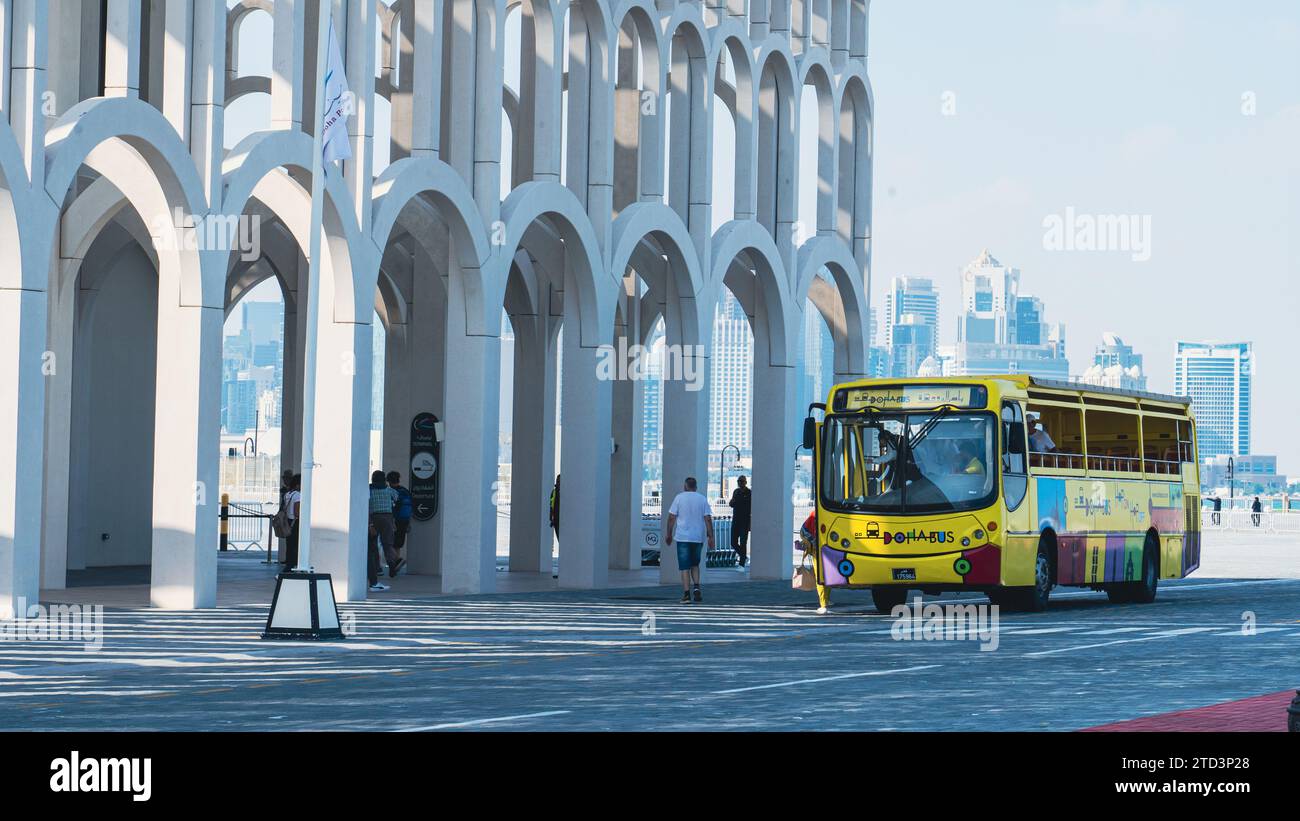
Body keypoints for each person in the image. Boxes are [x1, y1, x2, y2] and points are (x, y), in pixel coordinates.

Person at [666, 477, 713, 603]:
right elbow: (708, 519)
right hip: (698, 537)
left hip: (682, 537)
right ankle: (696, 588)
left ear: (685, 486)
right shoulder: (702, 499)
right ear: (696, 487)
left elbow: (671, 517)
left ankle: (686, 594)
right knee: (695, 564)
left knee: (684, 567)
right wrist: (711, 537)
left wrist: (668, 534)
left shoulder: (679, 498)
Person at [367, 470, 400, 591]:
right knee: (388, 543)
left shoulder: (370, 490)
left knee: (373, 544)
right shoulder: (389, 490)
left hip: (373, 518)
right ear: (384, 479)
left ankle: (376, 568)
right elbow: (396, 498)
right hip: (387, 517)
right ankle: (391, 564)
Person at [800, 511, 832, 615]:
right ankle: (824, 602)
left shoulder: (815, 513)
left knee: (821, 576)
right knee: (828, 576)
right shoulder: (833, 513)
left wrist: (813, 542)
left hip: (818, 551)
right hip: (832, 550)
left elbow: (803, 530)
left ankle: (824, 603)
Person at [386, 471, 412, 577]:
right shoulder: (405, 491)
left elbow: (392, 507)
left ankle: (395, 562)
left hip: (395, 520)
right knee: (398, 544)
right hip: (405, 520)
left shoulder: (391, 492)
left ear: (389, 481)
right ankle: (396, 563)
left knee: (390, 543)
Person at [727, 475, 752, 569]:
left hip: (745, 521)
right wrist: (732, 501)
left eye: (741, 481)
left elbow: (752, 508)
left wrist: (750, 523)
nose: (740, 483)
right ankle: (743, 556)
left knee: (743, 542)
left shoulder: (749, 493)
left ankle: (742, 564)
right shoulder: (736, 492)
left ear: (745, 482)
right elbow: (731, 504)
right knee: (733, 542)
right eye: (738, 481)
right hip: (736, 520)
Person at [283, 474, 302, 569]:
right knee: (296, 543)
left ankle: (288, 563)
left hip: (288, 521)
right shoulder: (298, 495)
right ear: (298, 485)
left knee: (289, 544)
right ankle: (294, 563)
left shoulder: (288, 494)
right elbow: (297, 511)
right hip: (295, 522)